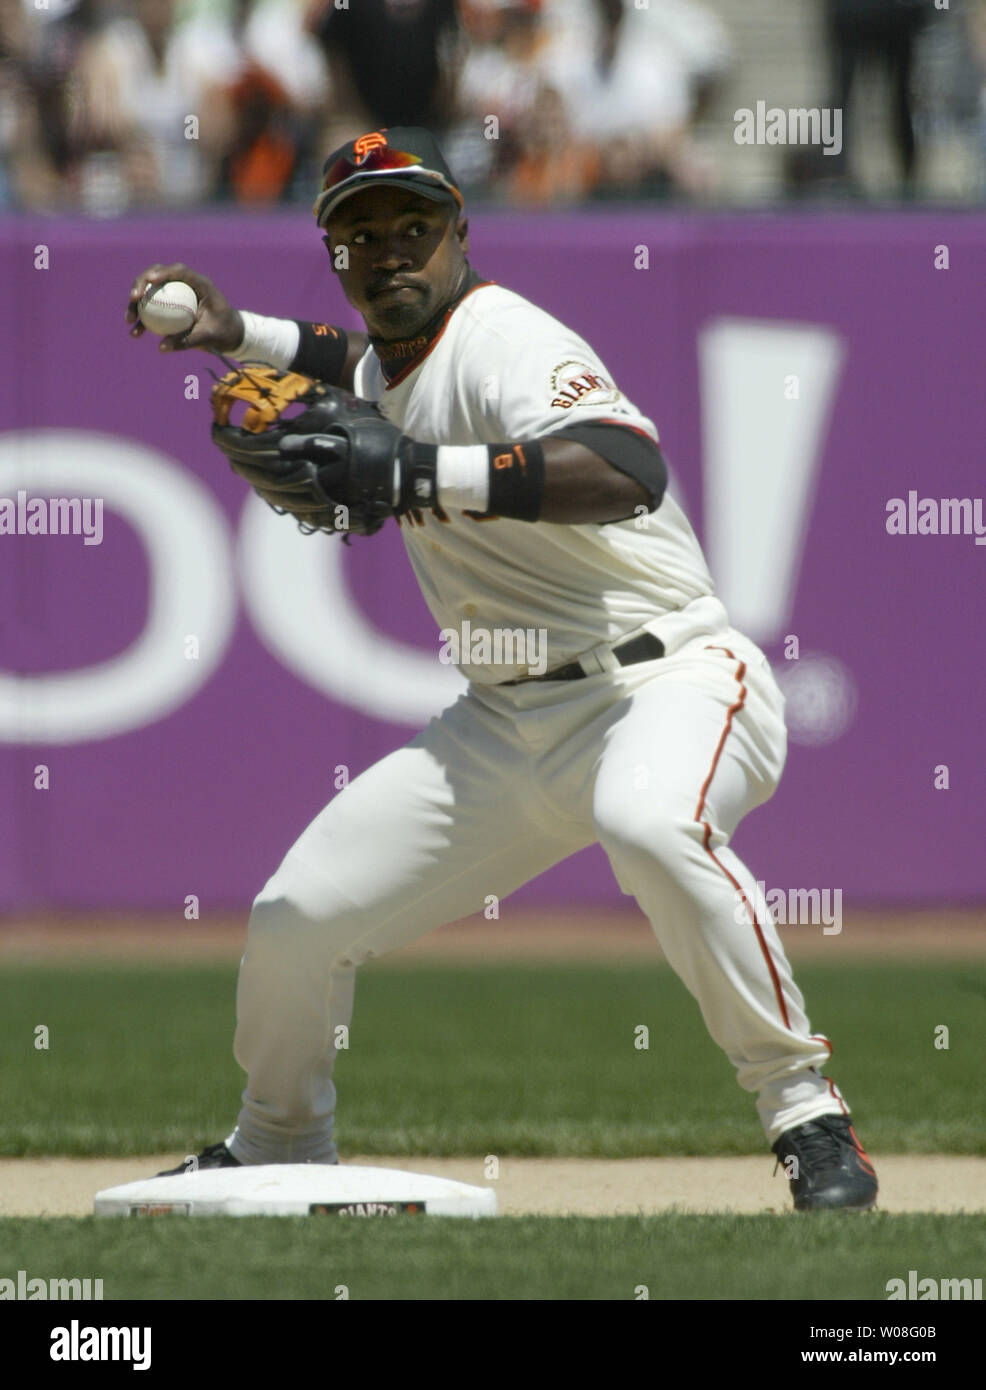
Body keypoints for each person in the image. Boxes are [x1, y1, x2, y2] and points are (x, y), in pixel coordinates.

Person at [126, 126, 878, 1212]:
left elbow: (626, 467)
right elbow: (357, 363)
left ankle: (806, 1115)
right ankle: (277, 1139)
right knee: (297, 914)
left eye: (412, 227)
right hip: (504, 724)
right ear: (336, 254)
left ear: (459, 234)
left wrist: (425, 470)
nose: (388, 252)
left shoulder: (505, 337)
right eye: (361, 235)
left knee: (646, 820)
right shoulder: (398, 353)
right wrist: (227, 328)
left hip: (664, 678)